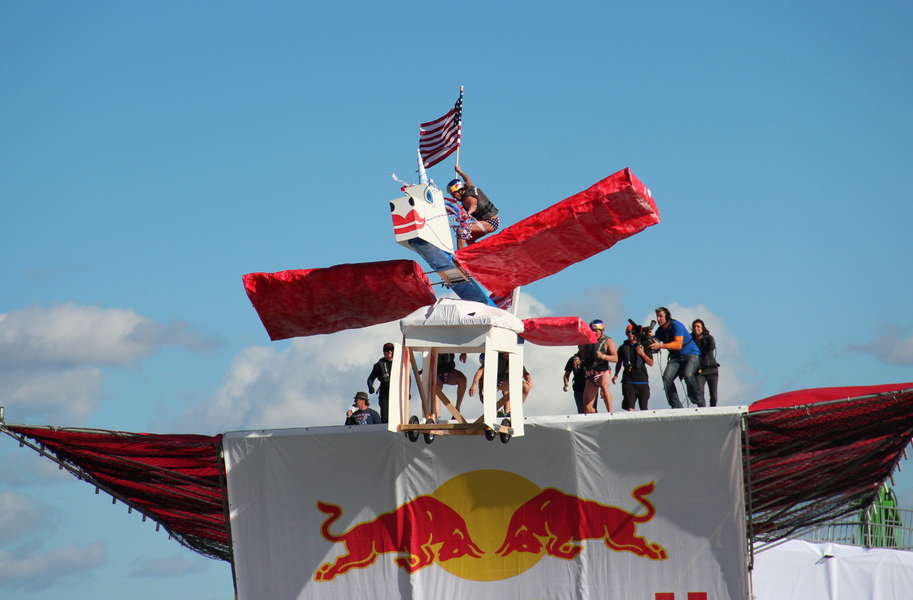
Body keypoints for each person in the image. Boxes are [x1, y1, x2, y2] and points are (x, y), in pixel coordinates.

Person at [648, 307, 704, 408]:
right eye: (657, 316)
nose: (658, 319)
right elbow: (655, 343)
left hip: (691, 354)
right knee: (666, 378)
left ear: (667, 316)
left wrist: (660, 345)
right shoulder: (660, 330)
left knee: (688, 374)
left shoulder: (676, 325)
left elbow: (678, 344)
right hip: (676, 357)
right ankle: (676, 406)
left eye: (661, 316)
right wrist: (649, 338)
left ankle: (697, 399)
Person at [448, 165, 500, 249]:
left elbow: (474, 204)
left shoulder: (468, 198)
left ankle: (459, 257)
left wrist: (468, 213)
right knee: (469, 239)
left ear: (460, 190)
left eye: (454, 194)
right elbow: (467, 179)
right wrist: (460, 172)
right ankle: (479, 254)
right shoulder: (469, 187)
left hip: (490, 222)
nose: (453, 197)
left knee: (462, 230)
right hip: (489, 222)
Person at [613, 324, 654, 411]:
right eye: (628, 332)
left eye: (632, 332)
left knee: (644, 409)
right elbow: (619, 362)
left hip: (642, 380)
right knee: (630, 408)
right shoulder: (622, 348)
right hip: (628, 381)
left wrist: (642, 353)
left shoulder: (643, 346)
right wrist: (616, 374)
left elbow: (651, 363)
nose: (630, 334)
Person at [580, 320, 617, 413]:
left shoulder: (608, 341)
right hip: (590, 373)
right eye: (591, 330)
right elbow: (582, 355)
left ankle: (610, 413)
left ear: (601, 330)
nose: (593, 333)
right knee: (587, 408)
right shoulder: (586, 341)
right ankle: (597, 416)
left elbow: (615, 358)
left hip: (603, 371)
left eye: (595, 330)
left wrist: (603, 356)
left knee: (604, 386)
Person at [692, 319, 720, 407]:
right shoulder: (691, 340)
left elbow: (711, 347)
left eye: (698, 326)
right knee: (699, 394)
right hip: (700, 371)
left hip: (711, 369)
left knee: (714, 396)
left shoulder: (709, 338)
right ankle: (702, 412)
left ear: (703, 328)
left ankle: (713, 411)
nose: (696, 328)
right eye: (694, 327)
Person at [366, 343, 394, 423]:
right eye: (386, 350)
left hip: (397, 393)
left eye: (391, 350)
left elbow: (408, 377)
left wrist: (407, 392)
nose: (389, 351)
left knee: (396, 414)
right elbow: (370, 378)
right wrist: (370, 387)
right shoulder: (379, 365)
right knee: (385, 417)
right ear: (383, 352)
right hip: (384, 393)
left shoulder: (399, 362)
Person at [563, 345, 587, 414]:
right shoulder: (572, 359)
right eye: (580, 345)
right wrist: (566, 384)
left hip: (590, 388)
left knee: (591, 410)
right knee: (581, 412)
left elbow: (601, 371)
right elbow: (566, 375)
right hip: (578, 389)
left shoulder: (590, 357)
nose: (582, 347)